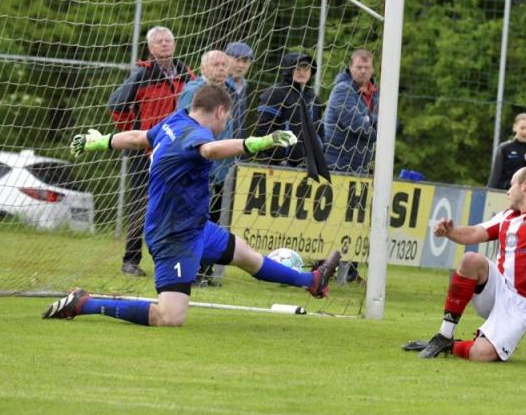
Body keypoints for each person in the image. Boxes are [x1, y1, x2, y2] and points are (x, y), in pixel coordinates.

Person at [43, 84, 341, 327]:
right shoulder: (197, 135)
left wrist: (101, 141)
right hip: (173, 237)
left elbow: (138, 137)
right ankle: (84, 303)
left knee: (248, 256)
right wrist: (258, 142)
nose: (225, 124)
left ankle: (312, 281)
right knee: (169, 317)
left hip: (196, 228)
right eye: (227, 118)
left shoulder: (175, 121)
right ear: (220, 111)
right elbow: (210, 150)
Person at [404, 166, 526, 361]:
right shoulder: (507, 216)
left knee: (481, 354)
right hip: (497, 288)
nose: (508, 191)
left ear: (525, 186)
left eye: (512, 185)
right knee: (470, 260)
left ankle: (452, 346)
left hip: (521, 304)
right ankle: (444, 335)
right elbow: (474, 233)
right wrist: (450, 232)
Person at [108, 26, 194, 277]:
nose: (164, 44)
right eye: (159, 41)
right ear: (150, 48)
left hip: (176, 151)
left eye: (168, 40)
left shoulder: (187, 74)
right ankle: (130, 260)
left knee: (176, 205)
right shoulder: (142, 75)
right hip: (145, 151)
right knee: (141, 204)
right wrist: (135, 136)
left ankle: (172, 260)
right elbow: (116, 105)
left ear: (174, 45)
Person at [177, 50, 236, 287]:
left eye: (224, 64)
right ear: (202, 68)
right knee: (194, 221)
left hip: (220, 169)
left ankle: (205, 271)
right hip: (198, 168)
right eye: (216, 64)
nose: (221, 69)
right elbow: (185, 127)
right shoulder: (193, 91)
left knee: (213, 221)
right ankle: (189, 271)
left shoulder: (228, 92)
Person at [254, 52, 328, 181]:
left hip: (307, 168)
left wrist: (318, 155)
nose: (302, 72)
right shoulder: (274, 94)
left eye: (306, 68)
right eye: (297, 68)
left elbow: (319, 131)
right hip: (276, 166)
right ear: (288, 70)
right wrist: (279, 158)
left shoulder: (313, 98)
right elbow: (263, 130)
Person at [322, 48, 378, 174]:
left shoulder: (375, 94)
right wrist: (384, 134)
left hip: (360, 166)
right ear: (350, 67)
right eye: (359, 67)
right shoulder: (342, 90)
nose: (363, 71)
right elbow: (356, 124)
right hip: (336, 165)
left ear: (372, 69)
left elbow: (392, 121)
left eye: (367, 67)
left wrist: (368, 119)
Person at [487, 113, 526, 190]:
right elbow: (495, 176)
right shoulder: (504, 148)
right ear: (515, 128)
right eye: (522, 128)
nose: (525, 132)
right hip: (506, 192)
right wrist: (490, 191)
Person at [224, 41, 254, 139]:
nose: (241, 65)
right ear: (226, 59)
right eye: (237, 60)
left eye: (245, 61)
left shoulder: (245, 86)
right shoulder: (216, 85)